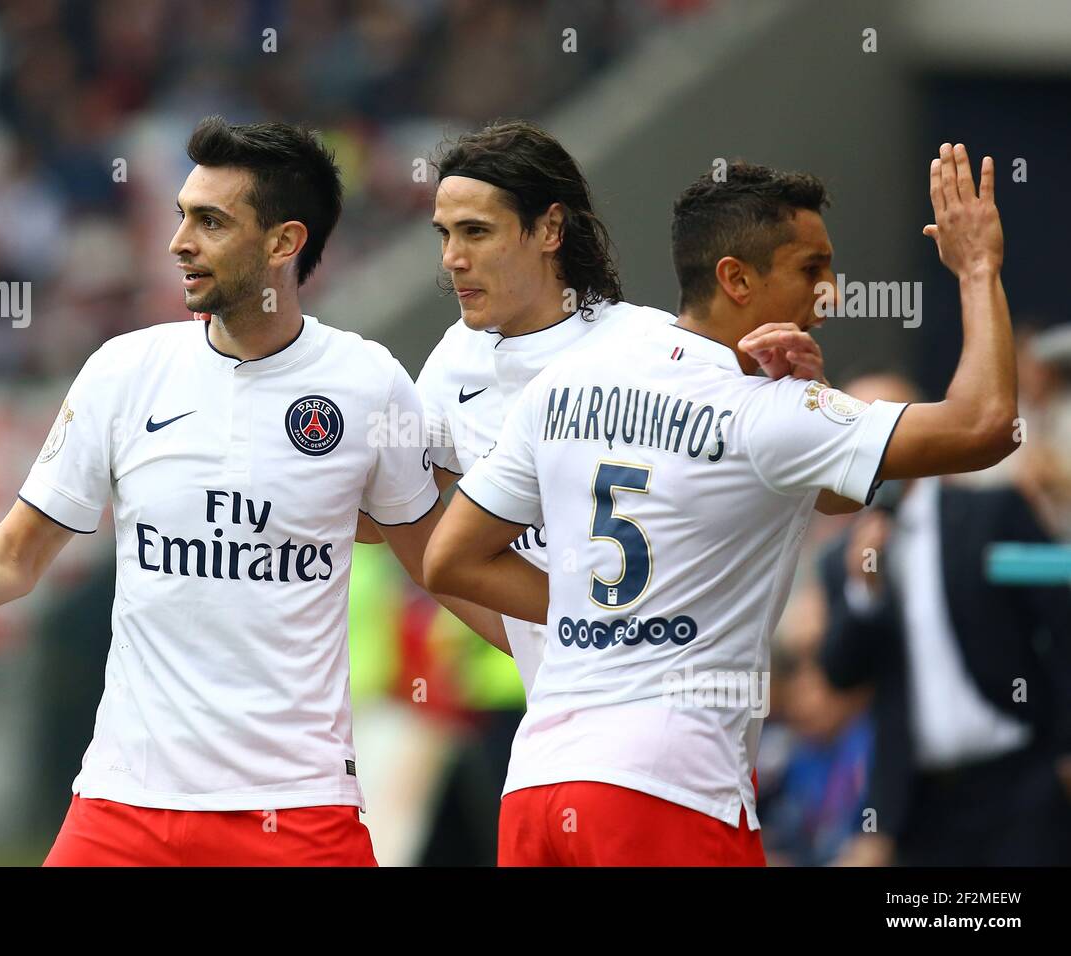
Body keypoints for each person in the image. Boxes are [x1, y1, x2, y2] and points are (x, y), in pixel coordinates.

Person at [0, 117, 503, 866]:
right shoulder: (124, 371)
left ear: (284, 242)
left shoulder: (368, 383)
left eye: (209, 221)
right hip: (125, 805)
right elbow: (14, 558)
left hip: (297, 809)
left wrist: (568, 657)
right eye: (182, 214)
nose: (179, 240)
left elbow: (437, 561)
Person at [424, 143, 1018, 865]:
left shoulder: (563, 384)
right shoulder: (762, 409)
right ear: (735, 278)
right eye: (811, 269)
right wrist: (978, 269)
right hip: (667, 787)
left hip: (539, 784)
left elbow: (449, 559)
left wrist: (596, 618)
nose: (830, 291)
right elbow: (985, 424)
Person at [819, 372, 1071, 866]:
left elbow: (1064, 628)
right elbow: (840, 674)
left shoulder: (990, 513)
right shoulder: (843, 558)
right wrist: (862, 594)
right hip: (920, 804)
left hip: (1021, 781)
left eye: (883, 425)